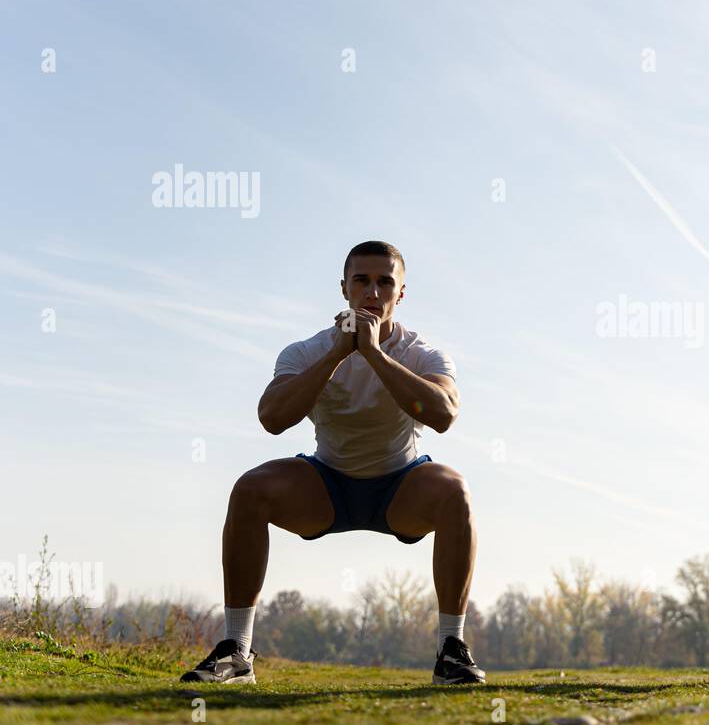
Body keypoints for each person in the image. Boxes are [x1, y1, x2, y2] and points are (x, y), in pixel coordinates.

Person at [181, 240, 485, 686]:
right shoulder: (307, 350)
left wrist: (375, 354)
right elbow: (272, 418)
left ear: (401, 293)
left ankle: (450, 652)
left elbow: (442, 415)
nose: (372, 292)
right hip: (326, 485)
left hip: (400, 487)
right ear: (344, 288)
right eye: (361, 281)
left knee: (454, 489)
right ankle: (237, 651)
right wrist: (338, 353)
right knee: (250, 488)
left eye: (385, 282)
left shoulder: (424, 353)